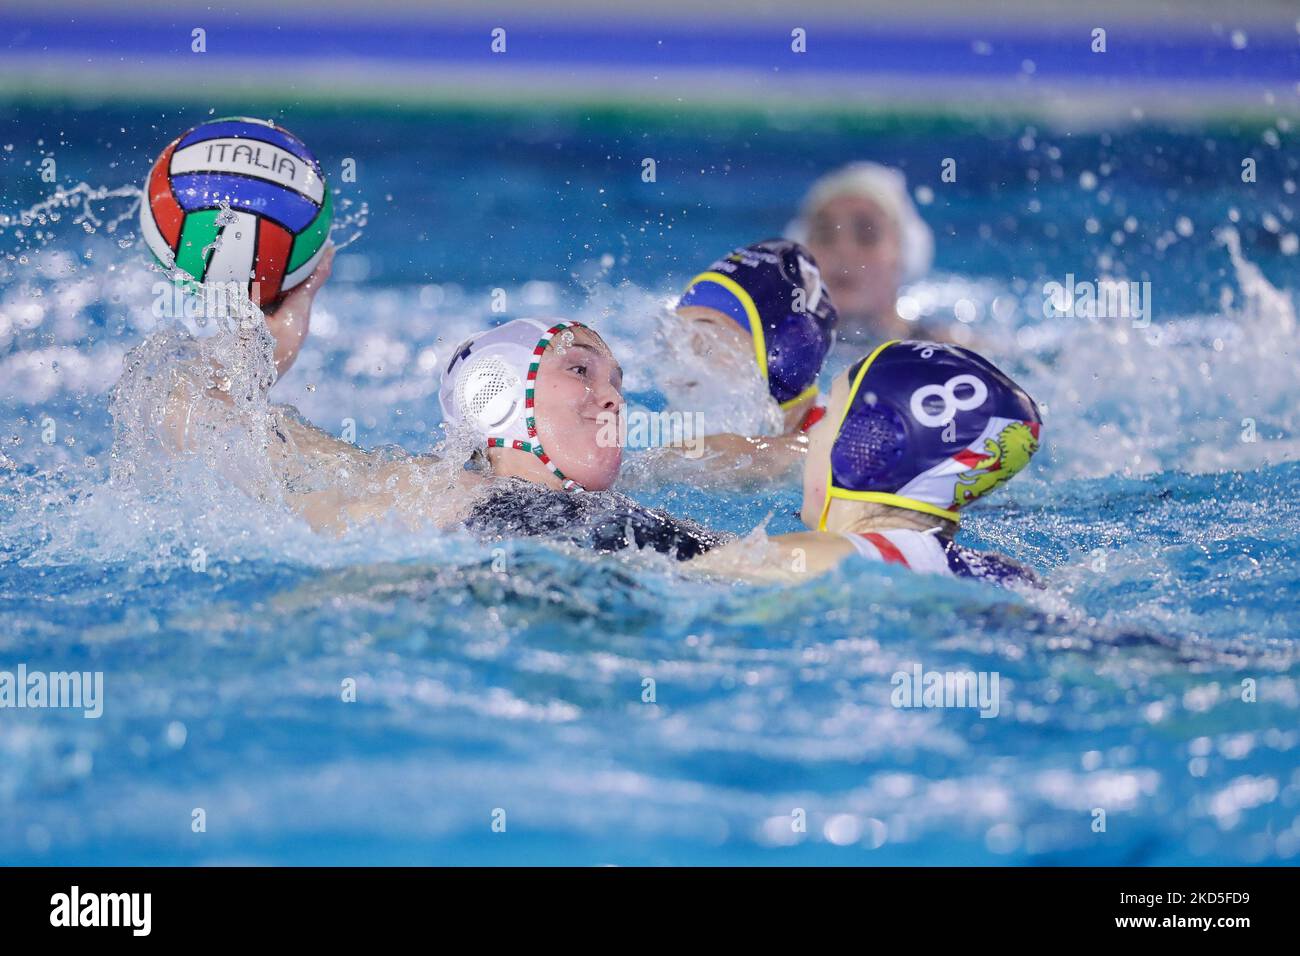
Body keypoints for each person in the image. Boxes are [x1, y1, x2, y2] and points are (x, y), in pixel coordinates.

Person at [689, 339, 1043, 586]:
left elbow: (666, 582)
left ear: (867, 449)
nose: (812, 434)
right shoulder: (1005, 572)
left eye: (827, 417)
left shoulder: (820, 557)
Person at [655, 238, 837, 482]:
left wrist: (638, 472)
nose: (681, 361)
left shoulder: (837, 442)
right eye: (678, 341)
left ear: (785, 355)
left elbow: (756, 456)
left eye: (707, 340)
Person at [788, 162, 935, 343]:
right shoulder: (764, 345)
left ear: (902, 256)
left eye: (866, 236)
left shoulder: (947, 352)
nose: (843, 251)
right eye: (824, 235)